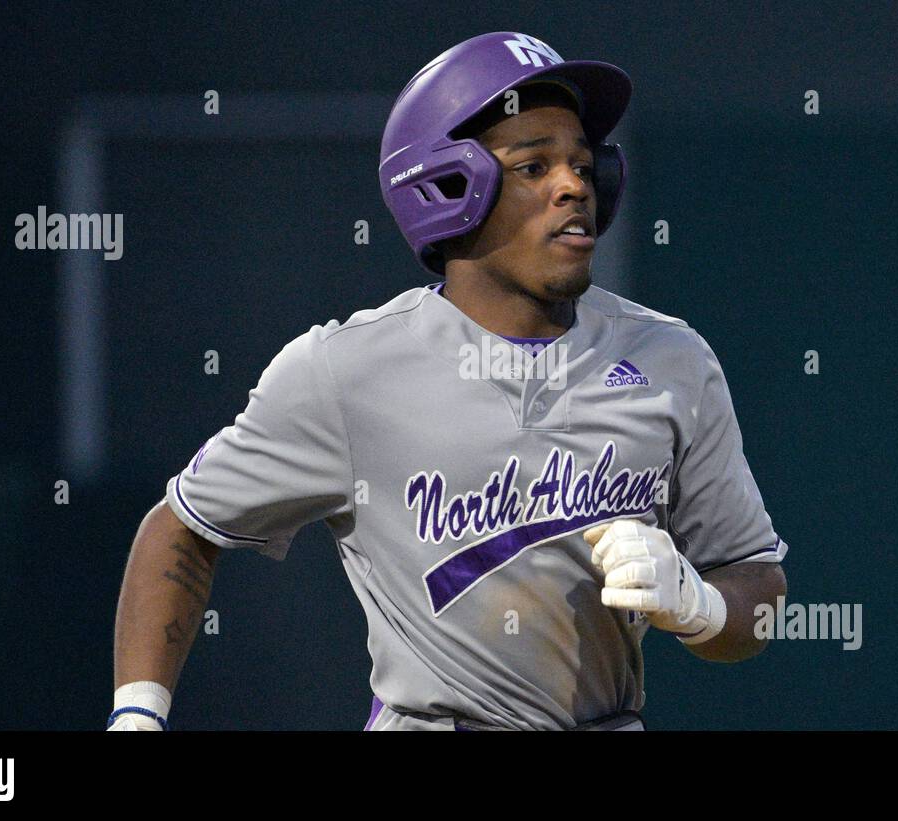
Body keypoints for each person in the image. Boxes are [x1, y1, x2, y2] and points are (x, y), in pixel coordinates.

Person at [110, 31, 788, 732]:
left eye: (585, 166)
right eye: (534, 166)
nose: (574, 185)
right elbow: (182, 528)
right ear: (446, 186)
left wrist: (701, 604)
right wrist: (137, 713)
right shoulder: (347, 370)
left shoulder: (672, 358)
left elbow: (758, 588)